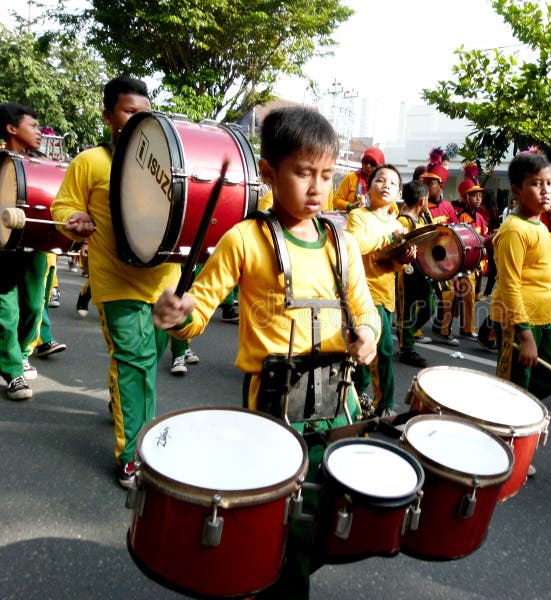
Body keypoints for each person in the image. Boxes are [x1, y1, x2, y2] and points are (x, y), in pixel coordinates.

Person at [152, 106, 379, 598]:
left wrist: (368, 334)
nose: (317, 188)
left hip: (341, 406)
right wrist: (176, 314)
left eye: (325, 174)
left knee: (332, 520)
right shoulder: (244, 239)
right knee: (288, 523)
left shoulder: (342, 242)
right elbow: (199, 310)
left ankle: (266, 572)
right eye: (303, 173)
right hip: (273, 407)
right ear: (270, 173)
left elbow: (365, 310)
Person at [51, 76, 179, 488]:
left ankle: (122, 403)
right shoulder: (89, 161)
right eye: (128, 111)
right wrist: (75, 221)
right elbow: (64, 205)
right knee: (135, 362)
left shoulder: (168, 162)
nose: (138, 119)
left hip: (164, 282)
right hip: (116, 282)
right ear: (108, 115)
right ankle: (135, 454)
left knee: (148, 358)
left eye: (144, 112)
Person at [490, 151, 551, 406]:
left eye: (550, 183)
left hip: (545, 315)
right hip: (518, 321)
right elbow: (509, 284)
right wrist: (524, 334)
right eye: (535, 183)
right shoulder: (514, 229)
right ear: (516, 190)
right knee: (512, 384)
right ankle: (501, 424)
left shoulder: (541, 225)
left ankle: (517, 414)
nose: (546, 190)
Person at [0, 102, 60, 400]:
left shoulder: (40, 163)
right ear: (11, 129)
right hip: (2, 248)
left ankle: (22, 351)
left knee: (35, 306)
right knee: (6, 311)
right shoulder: (0, 162)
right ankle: (12, 372)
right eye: (32, 126)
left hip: (33, 245)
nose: (39, 132)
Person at [347, 163, 414, 417]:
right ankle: (370, 400)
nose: (386, 185)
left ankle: (372, 399)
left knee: (380, 351)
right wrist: (391, 239)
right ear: (369, 186)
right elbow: (357, 244)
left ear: (399, 194)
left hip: (386, 296)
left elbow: (390, 266)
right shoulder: (359, 216)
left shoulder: (396, 223)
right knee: (379, 348)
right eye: (380, 180)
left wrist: (403, 257)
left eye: (393, 183)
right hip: (363, 295)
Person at [420, 153, 459, 345]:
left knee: (448, 293)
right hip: (421, 259)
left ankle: (442, 329)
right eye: (425, 182)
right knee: (421, 296)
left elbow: (455, 233)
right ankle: (413, 330)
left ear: (441, 185)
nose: (426, 187)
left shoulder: (448, 208)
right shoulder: (419, 205)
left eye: (431, 183)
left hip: (442, 259)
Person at [396, 180, 433, 368]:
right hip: (408, 273)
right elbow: (398, 247)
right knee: (408, 311)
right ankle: (407, 348)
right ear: (422, 200)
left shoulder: (422, 220)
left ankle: (406, 333)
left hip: (422, 272)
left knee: (429, 308)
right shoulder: (403, 220)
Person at [455, 169, 488, 340]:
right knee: (467, 298)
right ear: (466, 198)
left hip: (478, 265)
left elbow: (485, 237)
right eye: (474, 196)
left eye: (480, 196)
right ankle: (467, 329)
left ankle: (464, 327)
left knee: (472, 297)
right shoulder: (461, 218)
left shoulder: (481, 218)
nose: (478, 199)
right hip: (465, 266)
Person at [333, 146, 384, 212]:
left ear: (379, 166)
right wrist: (350, 206)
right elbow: (336, 201)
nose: (368, 165)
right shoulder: (351, 178)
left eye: (373, 163)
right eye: (366, 161)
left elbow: (393, 208)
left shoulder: (383, 184)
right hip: (350, 219)